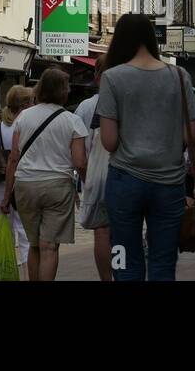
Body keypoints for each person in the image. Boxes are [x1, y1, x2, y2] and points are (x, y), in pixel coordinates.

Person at [97, 13, 195, 282]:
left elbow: (109, 141)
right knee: (163, 261)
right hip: (169, 181)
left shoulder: (112, 77)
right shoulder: (179, 76)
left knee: (123, 255)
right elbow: (191, 135)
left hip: (124, 180)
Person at [1, 69, 86, 281]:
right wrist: (88, 186)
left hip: (26, 185)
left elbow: (13, 159)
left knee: (35, 244)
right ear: (63, 92)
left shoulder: (23, 117)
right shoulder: (73, 121)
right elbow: (79, 162)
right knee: (50, 247)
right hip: (57, 186)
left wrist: (5, 196)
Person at [0, 85, 33, 278]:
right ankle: (28, 273)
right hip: (22, 181)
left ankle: (2, 271)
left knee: (1, 230)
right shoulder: (27, 124)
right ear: (25, 104)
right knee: (25, 235)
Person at [75, 59, 113, 281]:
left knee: (101, 230)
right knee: (125, 231)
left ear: (97, 77)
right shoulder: (126, 102)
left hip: (94, 177)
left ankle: (106, 278)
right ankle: (121, 272)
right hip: (124, 175)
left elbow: (79, 155)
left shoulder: (85, 107)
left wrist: (85, 178)